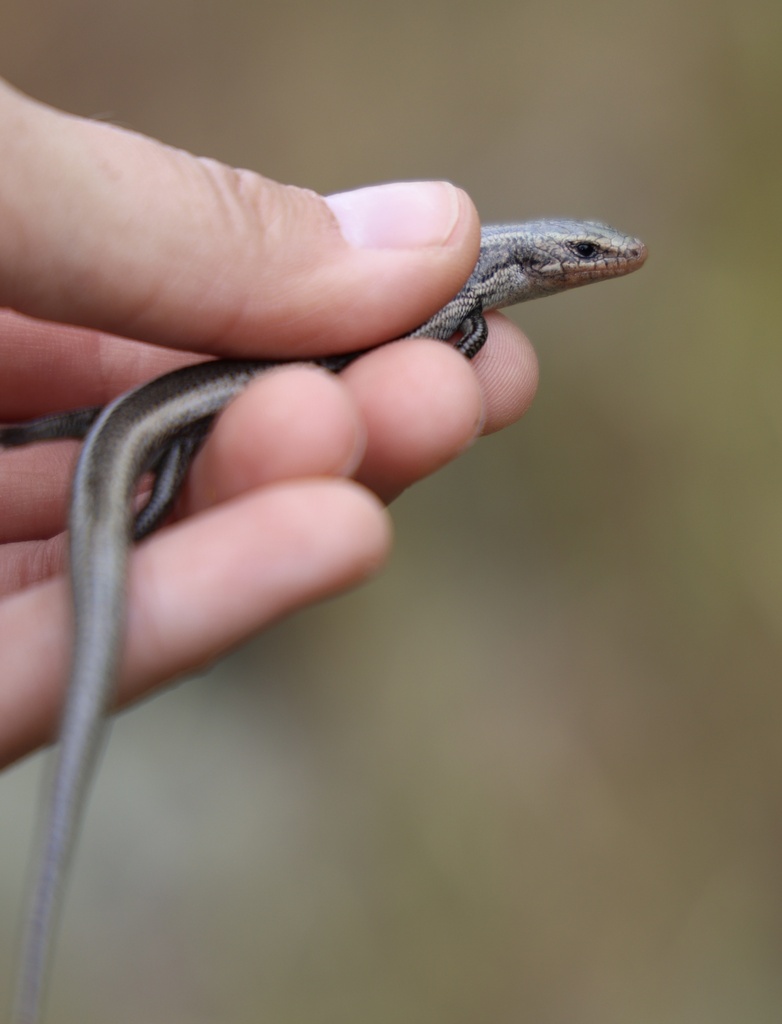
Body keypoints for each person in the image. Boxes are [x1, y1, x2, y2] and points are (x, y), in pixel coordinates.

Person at [0, 79, 538, 768]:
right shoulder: (455, 296)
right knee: (160, 481)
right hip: (172, 413)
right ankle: (123, 522)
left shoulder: (458, 307)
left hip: (172, 413)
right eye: (584, 253)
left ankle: (111, 514)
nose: (598, 262)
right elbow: (441, 341)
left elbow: (437, 341)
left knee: (191, 453)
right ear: (531, 261)